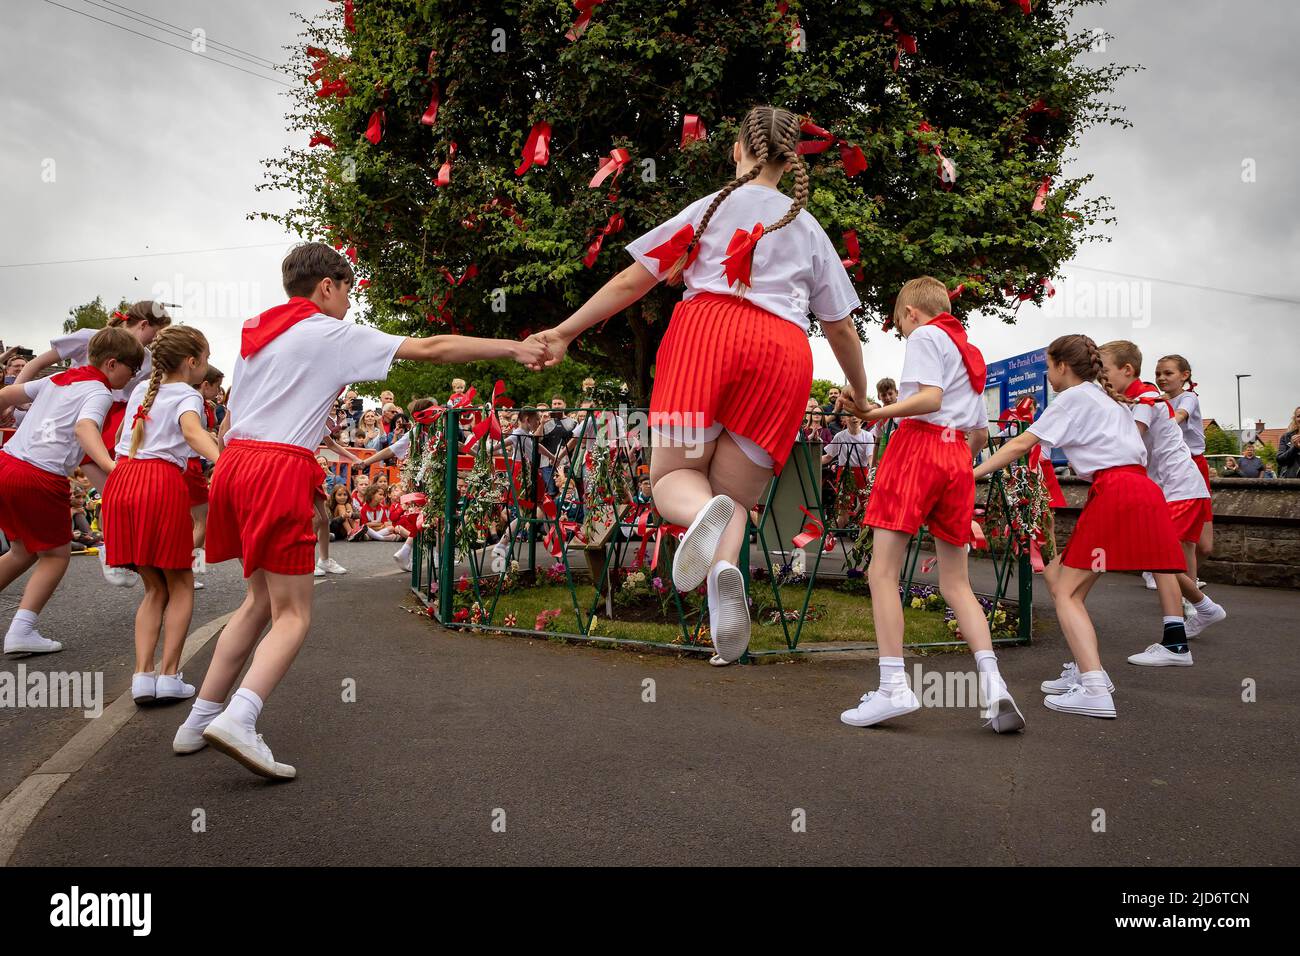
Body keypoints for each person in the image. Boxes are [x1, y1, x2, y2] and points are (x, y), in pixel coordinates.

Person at [173, 241, 550, 779]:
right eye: (348, 290)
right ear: (326, 286)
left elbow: (235, 418)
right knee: (293, 614)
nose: (350, 303)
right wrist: (512, 349)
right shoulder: (328, 332)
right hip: (277, 466)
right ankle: (241, 716)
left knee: (256, 600)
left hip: (235, 463)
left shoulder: (259, 333)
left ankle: (199, 720)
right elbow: (433, 347)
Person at [536, 104, 869, 665]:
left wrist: (566, 332)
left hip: (705, 339)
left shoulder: (710, 209)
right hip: (781, 355)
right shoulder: (808, 227)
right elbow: (839, 326)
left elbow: (630, 282)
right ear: (790, 162)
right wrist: (859, 391)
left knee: (674, 480)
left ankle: (707, 531)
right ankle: (723, 582)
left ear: (737, 149)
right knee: (736, 499)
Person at [975, 334, 1187, 719]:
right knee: (1059, 579)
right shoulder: (1105, 397)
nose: (1047, 374)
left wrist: (971, 473)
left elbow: (1022, 444)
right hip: (1138, 491)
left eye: (1048, 366)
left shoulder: (1073, 397)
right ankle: (1086, 669)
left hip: (1116, 493)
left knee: (1066, 592)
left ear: (1062, 366)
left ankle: (1093, 686)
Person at [843, 277, 1018, 732]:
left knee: (881, 571)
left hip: (919, 449)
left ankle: (892, 686)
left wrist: (872, 413)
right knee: (956, 583)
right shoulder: (967, 350)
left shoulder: (924, 335)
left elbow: (928, 399)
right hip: (956, 455)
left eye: (899, 322)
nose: (902, 331)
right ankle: (995, 686)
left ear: (912, 313)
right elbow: (979, 432)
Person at [0, 327, 145, 654]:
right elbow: (84, 428)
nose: (133, 376)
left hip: (6, 463)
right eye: (131, 369)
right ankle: (21, 630)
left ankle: (21, 628)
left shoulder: (58, 379)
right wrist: (111, 466)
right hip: (39, 475)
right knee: (55, 555)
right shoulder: (100, 391)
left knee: (22, 550)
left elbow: (7, 396)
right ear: (111, 364)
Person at [102, 326, 221, 704]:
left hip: (122, 480)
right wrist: (225, 460)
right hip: (158, 481)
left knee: (154, 587)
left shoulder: (141, 390)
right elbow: (191, 433)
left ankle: (143, 676)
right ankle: (169, 676)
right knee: (181, 582)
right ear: (192, 361)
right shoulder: (187, 394)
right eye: (205, 358)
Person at [17, 302, 172, 589]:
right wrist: (23, 400)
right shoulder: (91, 337)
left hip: (116, 419)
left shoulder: (147, 358)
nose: (154, 339)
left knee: (124, 493)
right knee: (116, 489)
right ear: (143, 325)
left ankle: (130, 556)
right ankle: (114, 552)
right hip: (82, 412)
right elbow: (36, 364)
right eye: (155, 332)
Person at [1099, 341, 1226, 661]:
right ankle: (1202, 610)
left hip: (1179, 489)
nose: (1101, 377)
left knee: (1161, 559)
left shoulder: (1145, 397)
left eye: (1105, 370)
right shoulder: (1138, 398)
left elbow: (1129, 439)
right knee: (1163, 559)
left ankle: (1178, 639)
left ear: (1126, 370)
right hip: (1178, 489)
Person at [1156, 355, 1214, 560]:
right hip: (1170, 467)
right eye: (1158, 374)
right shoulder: (1156, 401)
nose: (1162, 378)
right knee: (1176, 533)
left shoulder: (1189, 397)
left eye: (1168, 373)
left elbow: (1180, 415)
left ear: (1184, 376)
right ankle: (1165, 574)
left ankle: (1185, 580)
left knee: (1204, 546)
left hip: (1194, 465)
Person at [186, 365, 223, 590]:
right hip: (190, 463)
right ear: (205, 384)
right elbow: (192, 433)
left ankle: (192, 569)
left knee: (195, 520)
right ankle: (186, 570)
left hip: (192, 463)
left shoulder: (202, 404)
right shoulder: (192, 402)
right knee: (202, 520)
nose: (219, 393)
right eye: (217, 387)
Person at [1278, 407, 1300, 479]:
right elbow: (1280, 461)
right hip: (1291, 482)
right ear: (1295, 419)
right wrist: (1295, 448)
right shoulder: (1286, 437)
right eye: (1298, 416)